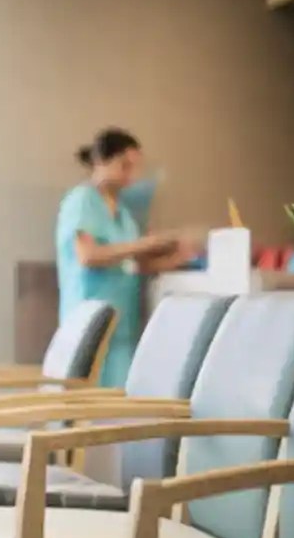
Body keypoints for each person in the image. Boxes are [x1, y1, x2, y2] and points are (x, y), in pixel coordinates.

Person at [57, 128, 197, 387]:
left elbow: (132, 266)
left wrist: (176, 259)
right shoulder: (83, 200)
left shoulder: (124, 214)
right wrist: (145, 243)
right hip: (89, 324)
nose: (132, 175)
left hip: (121, 327)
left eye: (135, 167)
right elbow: (88, 256)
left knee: (117, 400)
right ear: (101, 161)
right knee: (87, 399)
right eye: (125, 166)